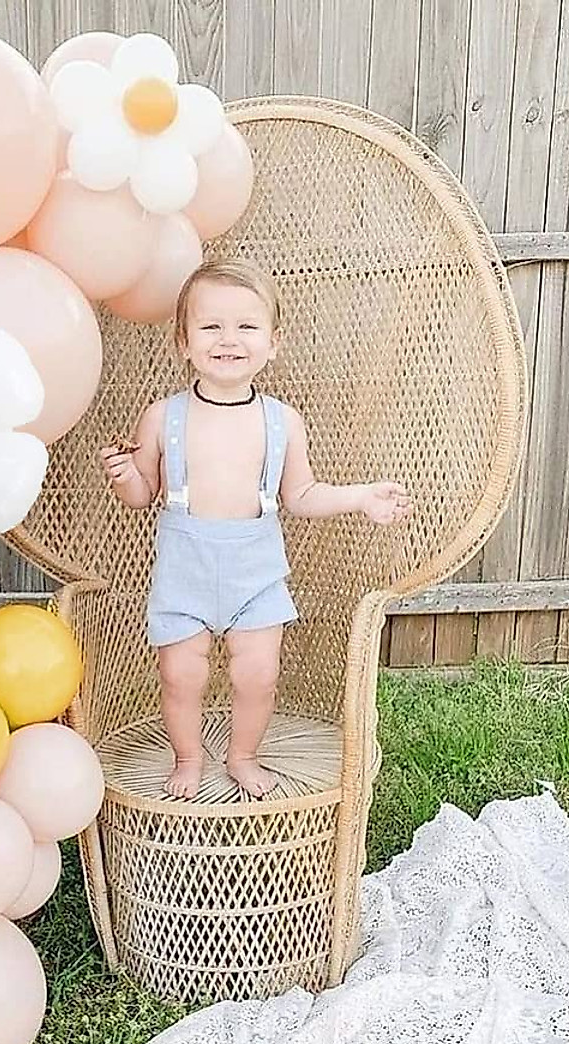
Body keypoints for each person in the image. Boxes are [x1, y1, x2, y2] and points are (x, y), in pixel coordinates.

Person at [99, 259, 412, 799]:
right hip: (185, 573)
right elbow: (142, 496)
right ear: (183, 341)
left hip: (257, 575)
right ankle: (189, 758)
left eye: (246, 327)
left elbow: (301, 495)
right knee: (181, 676)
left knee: (257, 675)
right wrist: (125, 475)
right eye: (211, 327)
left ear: (273, 343)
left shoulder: (281, 420)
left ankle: (243, 755)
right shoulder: (162, 417)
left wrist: (361, 496)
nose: (228, 340)